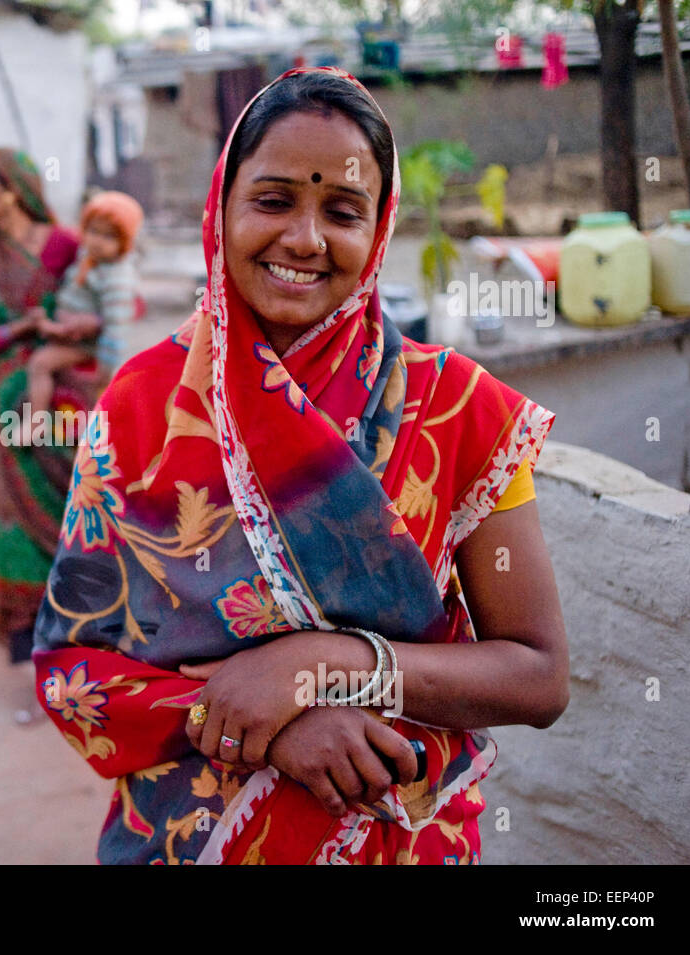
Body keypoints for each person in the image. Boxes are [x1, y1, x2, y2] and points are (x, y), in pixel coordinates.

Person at [31, 68, 569, 865]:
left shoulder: (457, 409)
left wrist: (327, 665)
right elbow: (71, 665)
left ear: (379, 229)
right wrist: (274, 726)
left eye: (343, 211)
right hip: (192, 835)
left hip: (397, 839)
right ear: (224, 207)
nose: (306, 240)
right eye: (274, 200)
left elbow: (537, 675)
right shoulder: (141, 403)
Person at [0, 148, 105, 663]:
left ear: (10, 189)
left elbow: (103, 303)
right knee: (14, 514)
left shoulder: (65, 246)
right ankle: (28, 635)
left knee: (75, 498)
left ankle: (85, 623)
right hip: (5, 402)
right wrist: (20, 328)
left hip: (65, 398)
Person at [21, 190, 143, 447]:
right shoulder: (90, 258)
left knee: (40, 364)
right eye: (93, 232)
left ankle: (35, 421)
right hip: (69, 331)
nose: (97, 241)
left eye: (108, 236)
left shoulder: (116, 276)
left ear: (126, 241)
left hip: (86, 345)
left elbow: (117, 326)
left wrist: (107, 366)